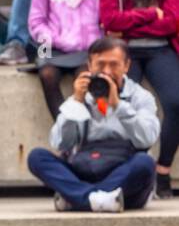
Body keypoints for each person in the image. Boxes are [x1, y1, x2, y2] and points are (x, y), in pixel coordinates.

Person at [27, 37, 159, 212]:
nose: (106, 71)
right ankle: (97, 200)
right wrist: (76, 103)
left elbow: (147, 139)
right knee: (37, 157)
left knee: (145, 163)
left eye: (114, 65)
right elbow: (60, 143)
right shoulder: (81, 96)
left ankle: (77, 198)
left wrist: (119, 106)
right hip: (85, 170)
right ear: (89, 65)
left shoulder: (140, 97)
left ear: (126, 66)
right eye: (100, 65)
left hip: (123, 179)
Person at [99, 0, 179, 199]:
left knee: (175, 102)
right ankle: (134, 170)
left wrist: (130, 22)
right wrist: (149, 15)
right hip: (125, 51)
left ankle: (163, 171)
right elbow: (109, 20)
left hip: (160, 50)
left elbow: (170, 24)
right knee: (121, 104)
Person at [28, 0, 107, 117]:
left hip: (87, 50)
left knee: (85, 79)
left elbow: (105, 19)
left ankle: (88, 130)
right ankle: (64, 126)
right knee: (46, 73)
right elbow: (36, 21)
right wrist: (48, 43)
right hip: (52, 46)